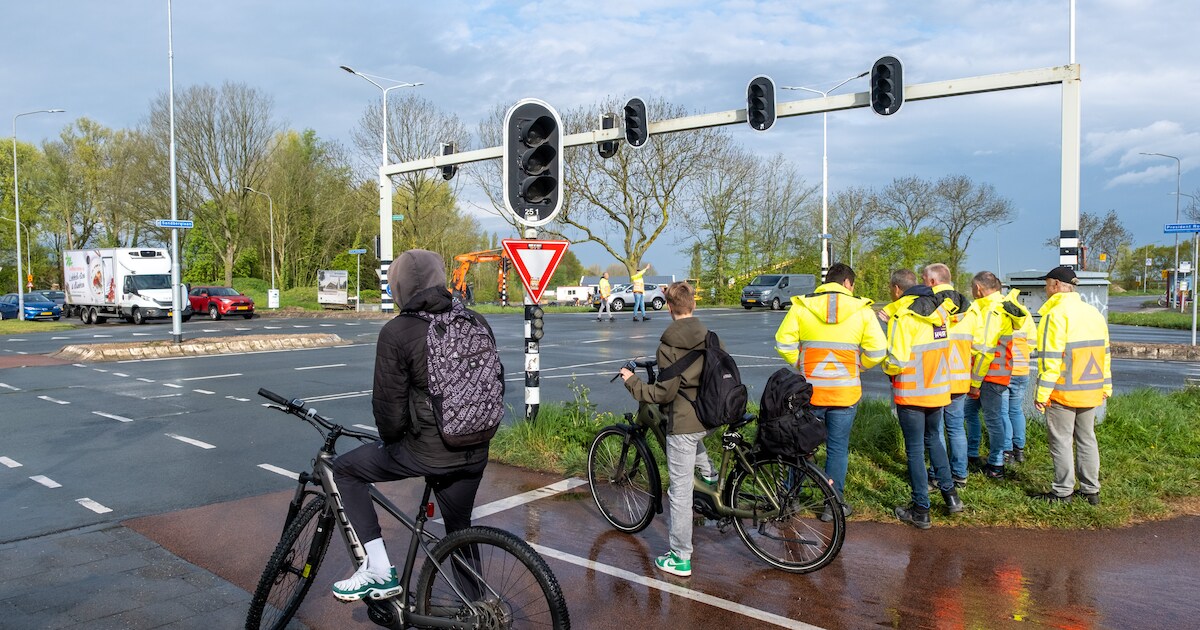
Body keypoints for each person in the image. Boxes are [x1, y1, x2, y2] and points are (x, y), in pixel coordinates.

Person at [330, 249, 496, 601]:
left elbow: (389, 413)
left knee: (345, 470)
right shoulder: (475, 320)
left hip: (429, 451)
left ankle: (377, 568)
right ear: (441, 279)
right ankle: (477, 608)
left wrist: (393, 443)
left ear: (399, 288)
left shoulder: (397, 331)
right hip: (476, 446)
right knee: (458, 530)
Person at [774, 262, 887, 521]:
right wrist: (860, 366)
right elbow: (878, 351)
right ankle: (832, 504)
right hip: (844, 393)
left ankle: (791, 499)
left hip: (810, 392)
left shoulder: (802, 306)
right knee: (837, 448)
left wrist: (799, 364)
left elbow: (783, 342)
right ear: (848, 283)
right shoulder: (862, 309)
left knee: (801, 446)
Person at [620, 281, 717, 577]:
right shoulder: (710, 336)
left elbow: (663, 393)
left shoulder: (669, 345)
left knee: (679, 491)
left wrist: (632, 383)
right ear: (694, 305)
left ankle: (680, 556)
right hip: (711, 415)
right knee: (697, 447)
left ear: (670, 309)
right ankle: (711, 482)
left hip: (685, 422)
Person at [880, 269, 961, 529]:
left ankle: (921, 509)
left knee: (914, 449)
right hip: (937, 391)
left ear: (896, 289)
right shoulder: (941, 313)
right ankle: (951, 497)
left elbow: (897, 360)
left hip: (912, 393)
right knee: (934, 440)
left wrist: (884, 365)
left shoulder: (903, 316)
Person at [1030, 266, 1111, 504]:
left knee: (1062, 441)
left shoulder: (1054, 316)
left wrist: (1041, 394)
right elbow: (1105, 353)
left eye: (1046, 284)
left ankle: (1062, 491)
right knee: (1087, 439)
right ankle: (1091, 491)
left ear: (1056, 285)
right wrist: (1106, 385)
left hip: (1063, 392)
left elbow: (1051, 360)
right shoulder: (1093, 313)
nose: (1045, 290)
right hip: (1091, 389)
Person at [962, 271, 1029, 480]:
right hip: (998, 372)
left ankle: (996, 464)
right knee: (973, 413)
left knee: (993, 420)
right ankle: (974, 455)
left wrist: (975, 382)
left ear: (979, 289)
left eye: (973, 288)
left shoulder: (992, 311)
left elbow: (985, 350)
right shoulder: (1004, 306)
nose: (972, 293)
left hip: (989, 375)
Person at [922, 263, 972, 488]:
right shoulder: (969, 308)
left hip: (937, 377)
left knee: (935, 430)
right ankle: (960, 474)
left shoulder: (930, 305)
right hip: (961, 378)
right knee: (956, 427)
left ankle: (937, 474)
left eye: (924, 280)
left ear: (932, 281)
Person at [1005, 311, 1037, 464]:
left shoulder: (999, 312)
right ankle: (1019, 450)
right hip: (1022, 369)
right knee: (1016, 410)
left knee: (1002, 412)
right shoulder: (1025, 314)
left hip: (1004, 370)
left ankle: (1007, 452)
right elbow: (1031, 343)